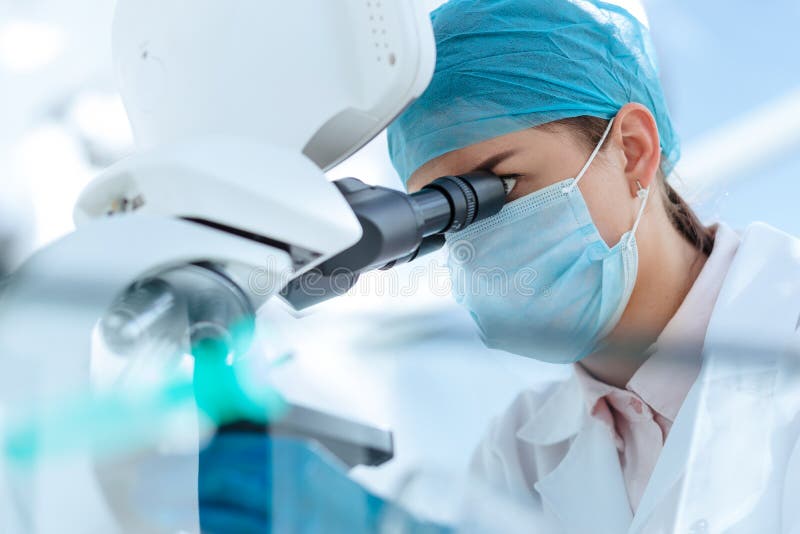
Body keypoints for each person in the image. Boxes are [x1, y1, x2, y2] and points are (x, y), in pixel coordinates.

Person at [200, 0, 800, 532]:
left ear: (632, 151)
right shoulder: (516, 453)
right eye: (438, 216)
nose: (478, 237)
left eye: (500, 186)